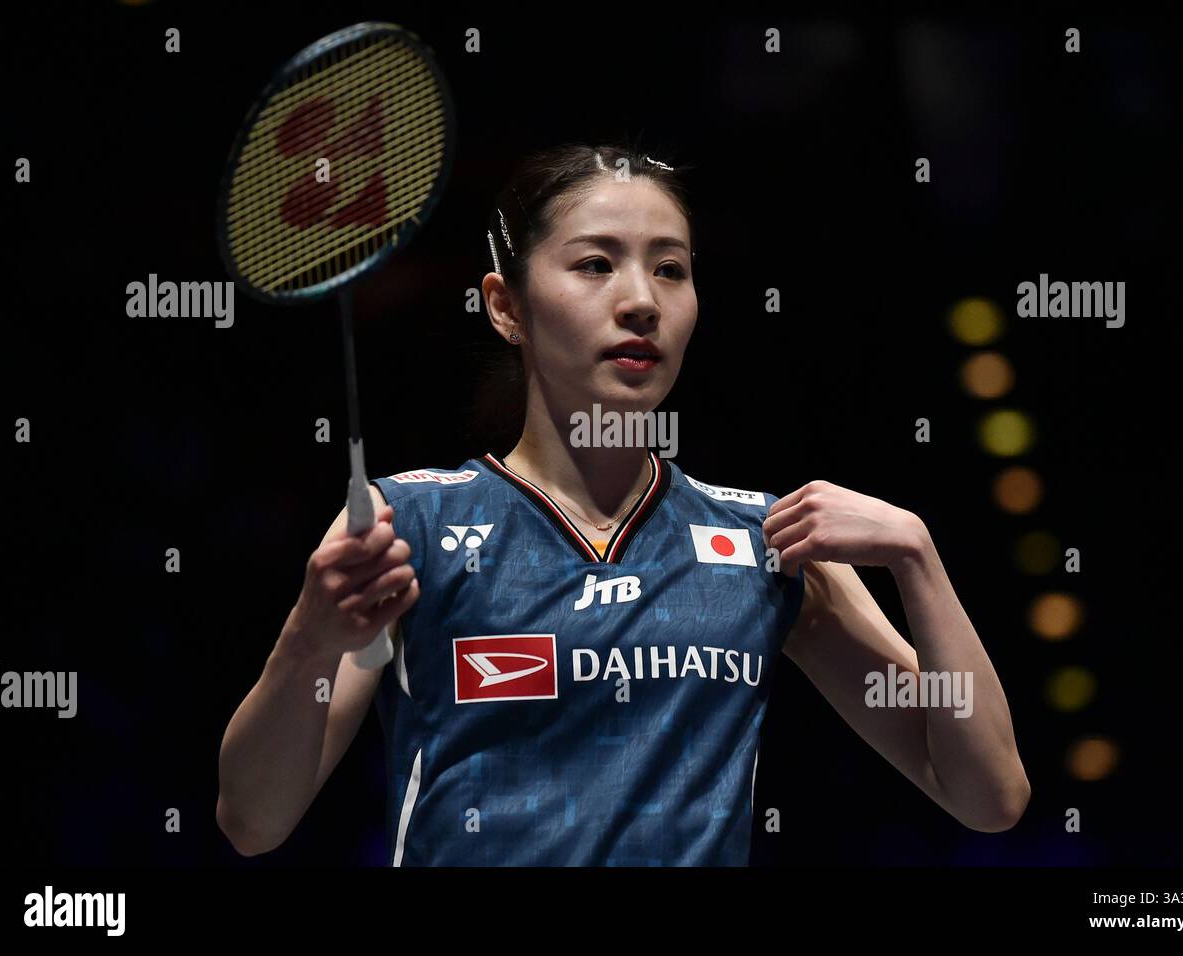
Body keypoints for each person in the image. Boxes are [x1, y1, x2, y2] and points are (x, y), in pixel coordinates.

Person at [215, 142, 1030, 866]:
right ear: (506, 307)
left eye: (670, 267)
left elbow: (987, 796)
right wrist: (311, 637)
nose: (641, 299)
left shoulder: (764, 541)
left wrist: (918, 556)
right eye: (596, 264)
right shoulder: (408, 528)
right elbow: (253, 820)